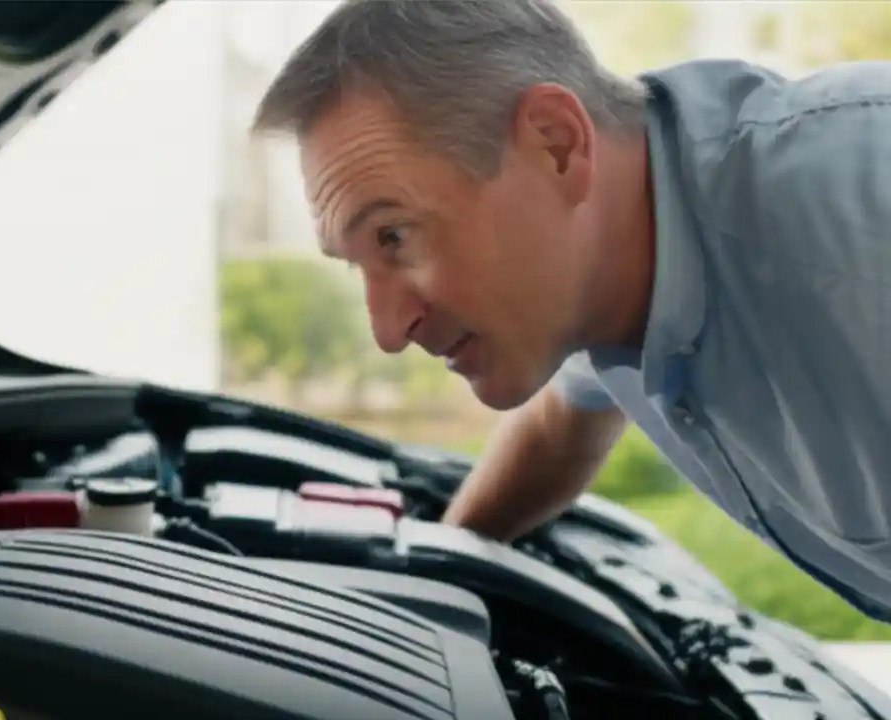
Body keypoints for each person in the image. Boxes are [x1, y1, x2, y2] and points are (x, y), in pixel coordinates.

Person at [252, 0, 891, 620]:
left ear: (556, 144)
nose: (389, 332)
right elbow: (556, 431)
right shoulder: (605, 268)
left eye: (394, 236)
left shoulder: (859, 203)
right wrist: (434, 574)